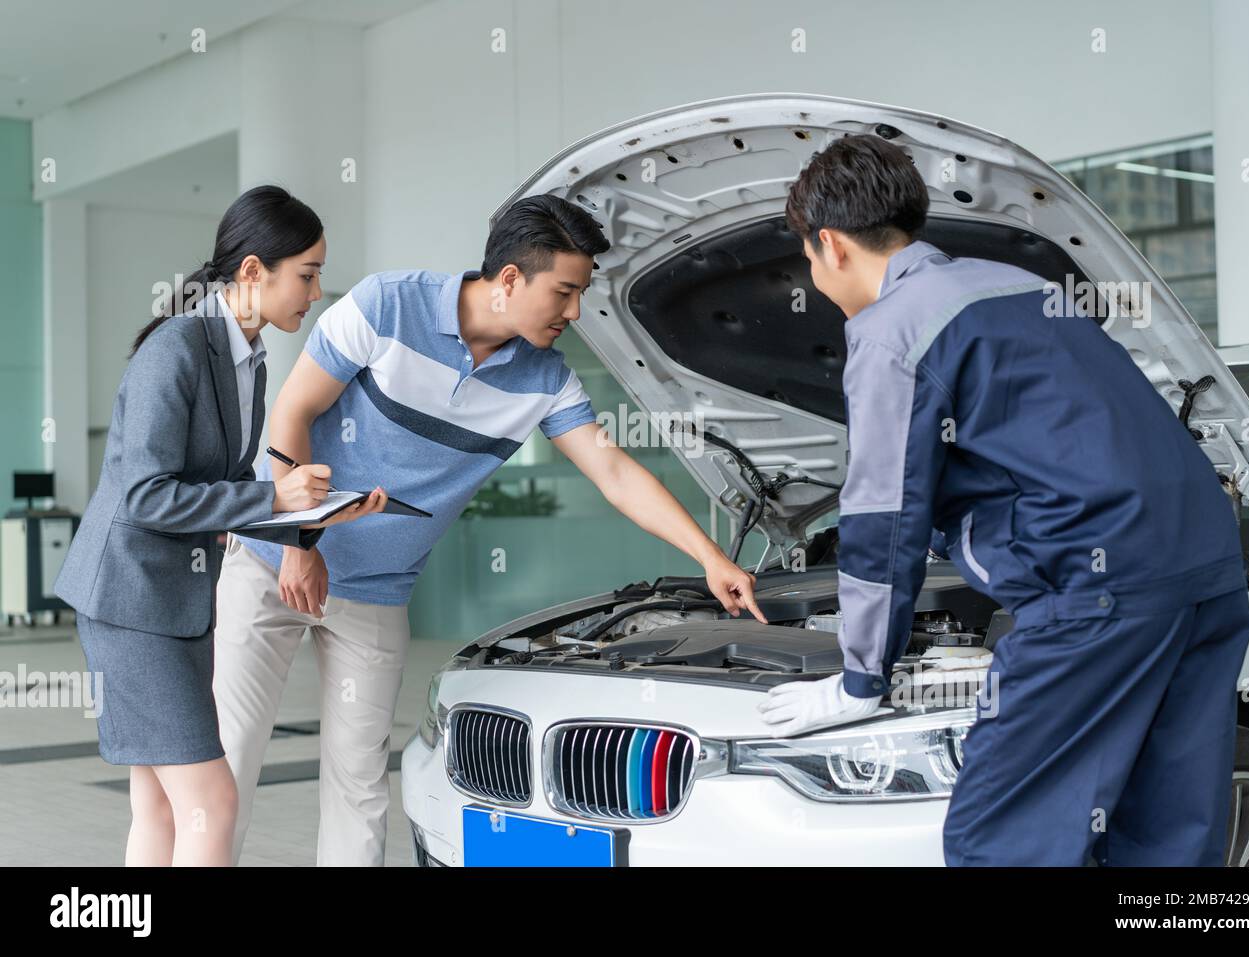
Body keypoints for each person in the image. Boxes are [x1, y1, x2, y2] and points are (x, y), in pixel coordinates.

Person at [213, 194, 768, 865]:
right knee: (229, 762)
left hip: (377, 592)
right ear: (509, 279)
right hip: (275, 563)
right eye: (564, 292)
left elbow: (613, 471)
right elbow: (293, 412)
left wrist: (711, 557)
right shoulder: (386, 305)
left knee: (359, 788)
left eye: (581, 295)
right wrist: (299, 542)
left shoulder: (545, 378)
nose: (573, 312)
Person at [758, 133, 1249, 866]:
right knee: (1166, 839)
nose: (814, 272)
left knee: (1000, 840)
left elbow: (882, 514)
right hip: (1205, 564)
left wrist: (862, 676)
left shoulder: (892, 330)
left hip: (1098, 588)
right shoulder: (1021, 285)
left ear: (830, 244)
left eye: (806, 256)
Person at [53, 186, 387, 866]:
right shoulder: (176, 348)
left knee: (163, 809)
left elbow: (225, 493)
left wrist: (310, 516)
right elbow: (146, 497)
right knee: (212, 802)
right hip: (132, 605)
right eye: (308, 273)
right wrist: (274, 499)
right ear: (254, 271)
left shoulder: (249, 357)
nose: (317, 291)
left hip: (175, 605)